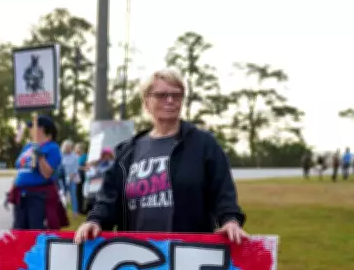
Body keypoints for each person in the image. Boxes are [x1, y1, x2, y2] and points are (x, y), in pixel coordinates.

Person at [74, 68, 247, 245]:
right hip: (136, 255)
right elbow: (109, 198)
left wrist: (230, 220)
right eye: (162, 95)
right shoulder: (127, 152)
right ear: (146, 101)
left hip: (188, 254)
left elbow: (223, 190)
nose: (170, 100)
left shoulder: (204, 144)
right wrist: (94, 221)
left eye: (177, 95)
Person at [5, 115, 68, 230]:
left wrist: (40, 157)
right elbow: (21, 171)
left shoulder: (52, 148)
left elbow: (47, 174)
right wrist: (12, 190)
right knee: (19, 229)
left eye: (33, 127)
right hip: (21, 194)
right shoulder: (28, 146)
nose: (30, 130)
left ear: (43, 129)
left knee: (35, 229)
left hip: (38, 196)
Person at [61, 140, 81, 214]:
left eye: (70, 147)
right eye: (67, 147)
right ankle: (63, 211)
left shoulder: (75, 157)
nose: (68, 149)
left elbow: (76, 168)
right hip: (63, 179)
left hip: (72, 178)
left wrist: (71, 177)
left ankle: (75, 211)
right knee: (63, 196)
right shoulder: (61, 155)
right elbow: (60, 167)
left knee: (73, 195)